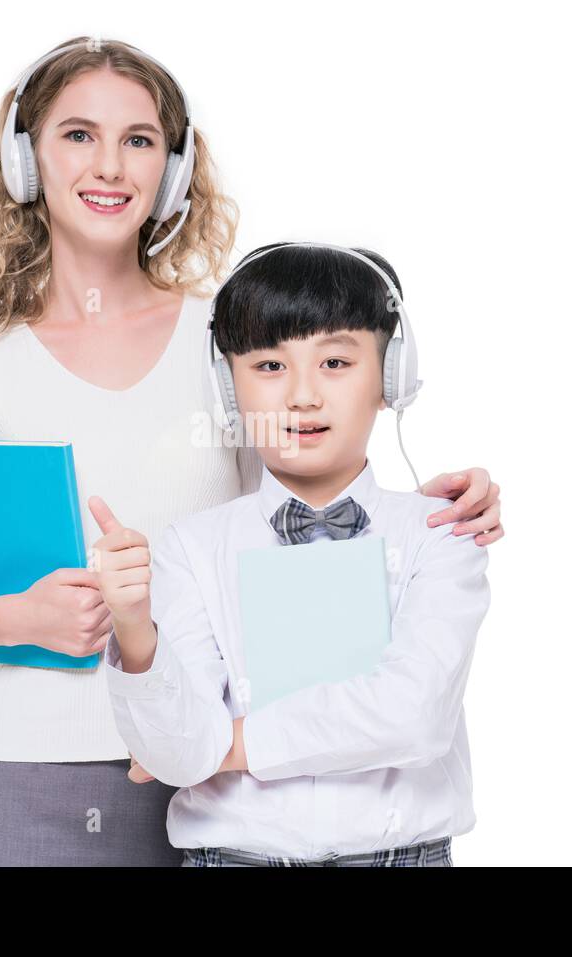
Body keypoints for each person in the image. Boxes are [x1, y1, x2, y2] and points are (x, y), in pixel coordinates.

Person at [0, 36, 504, 867]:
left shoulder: (227, 340)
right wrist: (21, 616)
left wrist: (442, 501)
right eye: (78, 134)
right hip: (45, 774)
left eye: (139, 140)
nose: (110, 166)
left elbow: (305, 492)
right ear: (25, 160)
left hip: (237, 774)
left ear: (170, 167)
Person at [91, 242, 490, 866]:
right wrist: (135, 628)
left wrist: (227, 746)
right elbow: (172, 755)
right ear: (228, 388)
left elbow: (412, 716)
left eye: (335, 361)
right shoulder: (191, 550)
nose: (302, 396)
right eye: (269, 367)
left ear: (390, 379)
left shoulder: (440, 532)